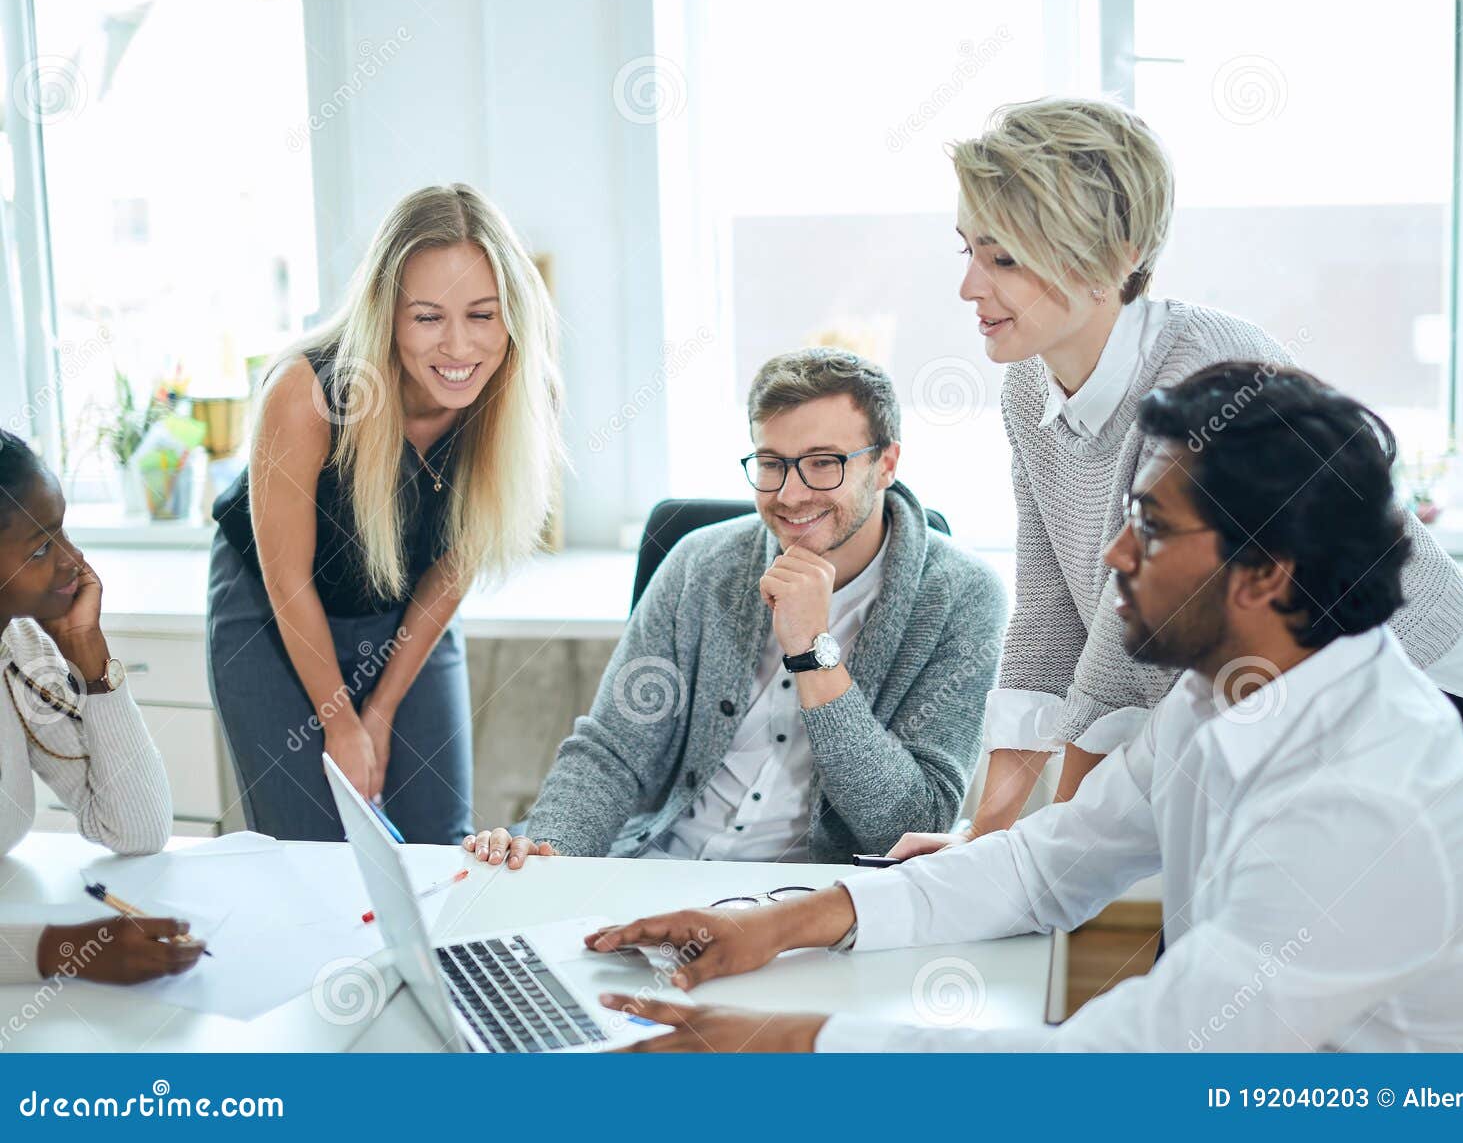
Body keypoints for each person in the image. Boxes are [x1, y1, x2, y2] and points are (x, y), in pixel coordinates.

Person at [578, 366, 1463, 1053]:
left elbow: (1119, 1072)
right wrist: (786, 920)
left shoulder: (1366, 796)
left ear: (1263, 572)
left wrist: (794, 1040)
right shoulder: (1226, 690)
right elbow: (1047, 864)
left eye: (1151, 528)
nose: (1115, 554)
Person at [893, 98, 1463, 860]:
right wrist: (986, 837)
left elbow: (1123, 648)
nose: (969, 287)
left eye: (1004, 259)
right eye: (969, 250)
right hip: (1264, 692)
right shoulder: (1028, 387)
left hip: (1412, 687)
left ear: (1112, 260)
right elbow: (1047, 614)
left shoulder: (1204, 377)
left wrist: (1014, 861)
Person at [463, 348, 1006, 866]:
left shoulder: (963, 596)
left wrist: (812, 653)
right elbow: (612, 751)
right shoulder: (700, 564)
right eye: (771, 464)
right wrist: (551, 856)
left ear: (886, 464)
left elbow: (910, 825)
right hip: (659, 864)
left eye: (823, 463)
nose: (790, 494)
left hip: (809, 898)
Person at [207, 184, 563, 844]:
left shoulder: (519, 394)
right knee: (312, 851)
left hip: (402, 611)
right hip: (274, 609)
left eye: (482, 315)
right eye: (428, 317)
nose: (458, 347)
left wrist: (381, 709)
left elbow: (454, 567)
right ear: (387, 314)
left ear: (511, 315)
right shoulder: (308, 393)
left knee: (437, 843)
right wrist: (341, 722)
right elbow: (288, 580)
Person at [0, 430, 206, 986]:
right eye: (40, 549)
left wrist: (91, 661)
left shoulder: (21, 649)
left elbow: (137, 830)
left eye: (62, 530)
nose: (73, 559)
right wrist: (63, 950)